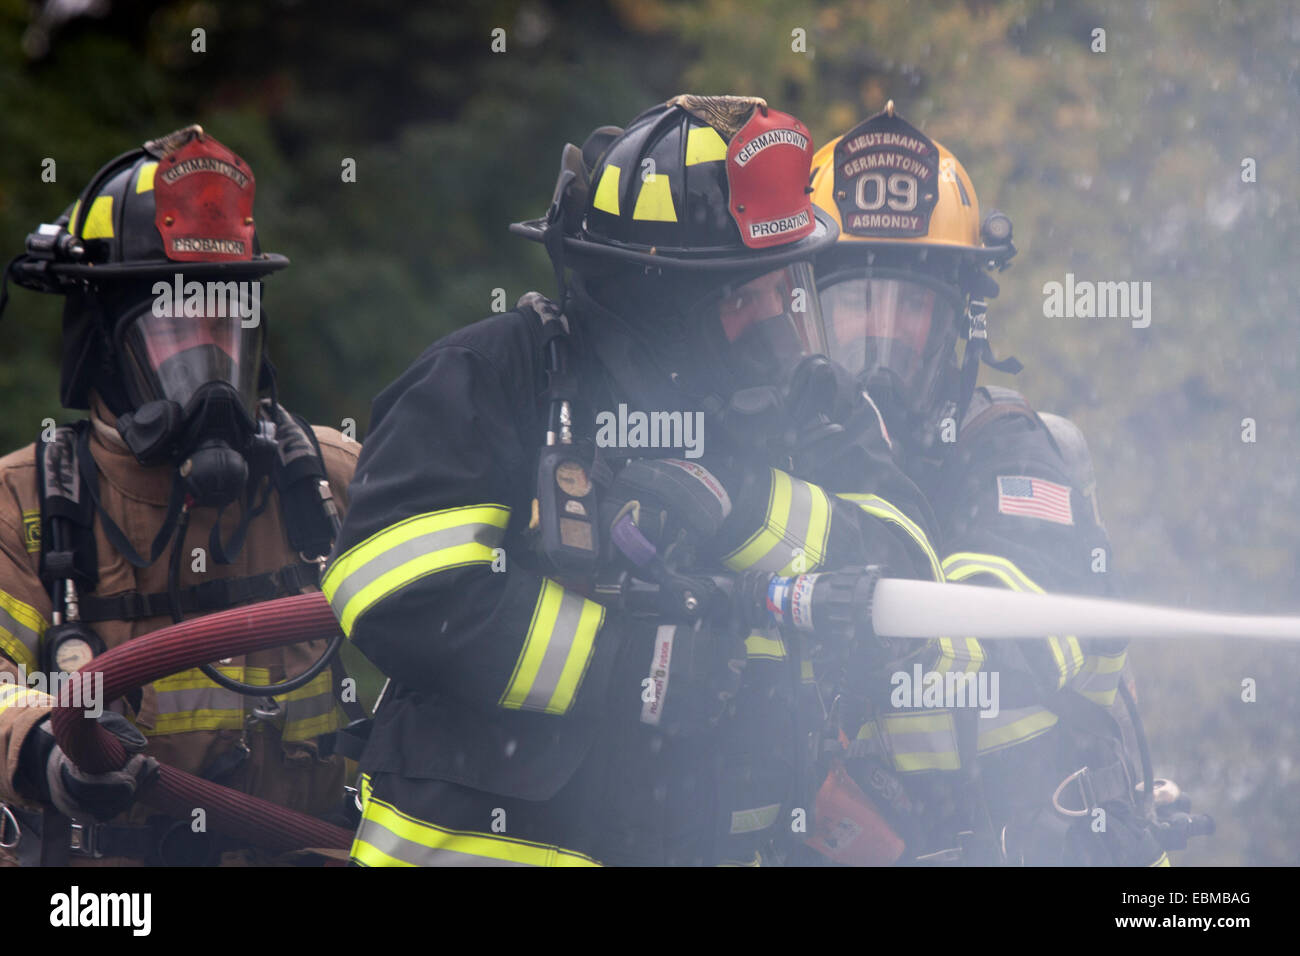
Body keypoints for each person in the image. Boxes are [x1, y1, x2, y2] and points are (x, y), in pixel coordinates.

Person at [325, 94, 947, 866]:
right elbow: (392, 585)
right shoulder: (498, 378)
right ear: (661, 305)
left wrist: (744, 507)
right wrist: (633, 666)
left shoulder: (810, 405)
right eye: (743, 296)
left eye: (788, 289)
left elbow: (912, 580)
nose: (777, 323)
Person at [806, 101, 1200, 865]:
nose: (879, 357)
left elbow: (1011, 632)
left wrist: (834, 623)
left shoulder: (1014, 454)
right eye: (850, 314)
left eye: (910, 316)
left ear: (962, 334)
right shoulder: (785, 466)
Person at [0, 125, 362, 866]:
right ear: (101, 347)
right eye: (176, 341)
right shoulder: (25, 506)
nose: (211, 388)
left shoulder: (326, 480)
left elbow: (454, 623)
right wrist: (48, 747)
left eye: (227, 335)